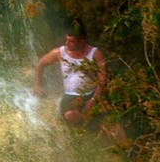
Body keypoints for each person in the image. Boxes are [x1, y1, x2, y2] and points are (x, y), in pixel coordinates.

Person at [34, 19, 128, 147]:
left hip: (92, 94)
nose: (67, 43)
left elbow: (102, 79)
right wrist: (38, 84)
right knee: (70, 116)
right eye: (66, 39)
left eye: (71, 41)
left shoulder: (94, 53)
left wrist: (93, 100)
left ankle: (129, 155)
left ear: (82, 41)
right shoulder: (60, 53)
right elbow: (41, 64)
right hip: (71, 97)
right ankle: (93, 129)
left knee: (115, 126)